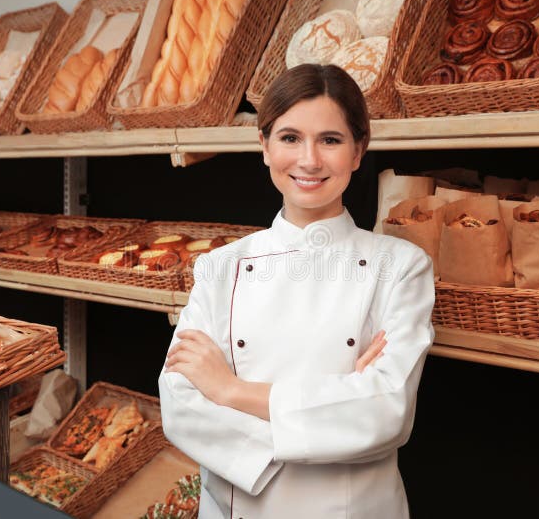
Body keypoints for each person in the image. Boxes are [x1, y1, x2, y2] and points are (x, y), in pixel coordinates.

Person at [158, 63, 435, 518]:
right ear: (263, 146)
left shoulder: (400, 267)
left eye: (330, 140)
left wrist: (229, 391)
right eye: (290, 138)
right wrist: (341, 401)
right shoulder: (219, 268)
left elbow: (385, 412)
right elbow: (181, 404)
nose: (309, 160)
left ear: (359, 150)